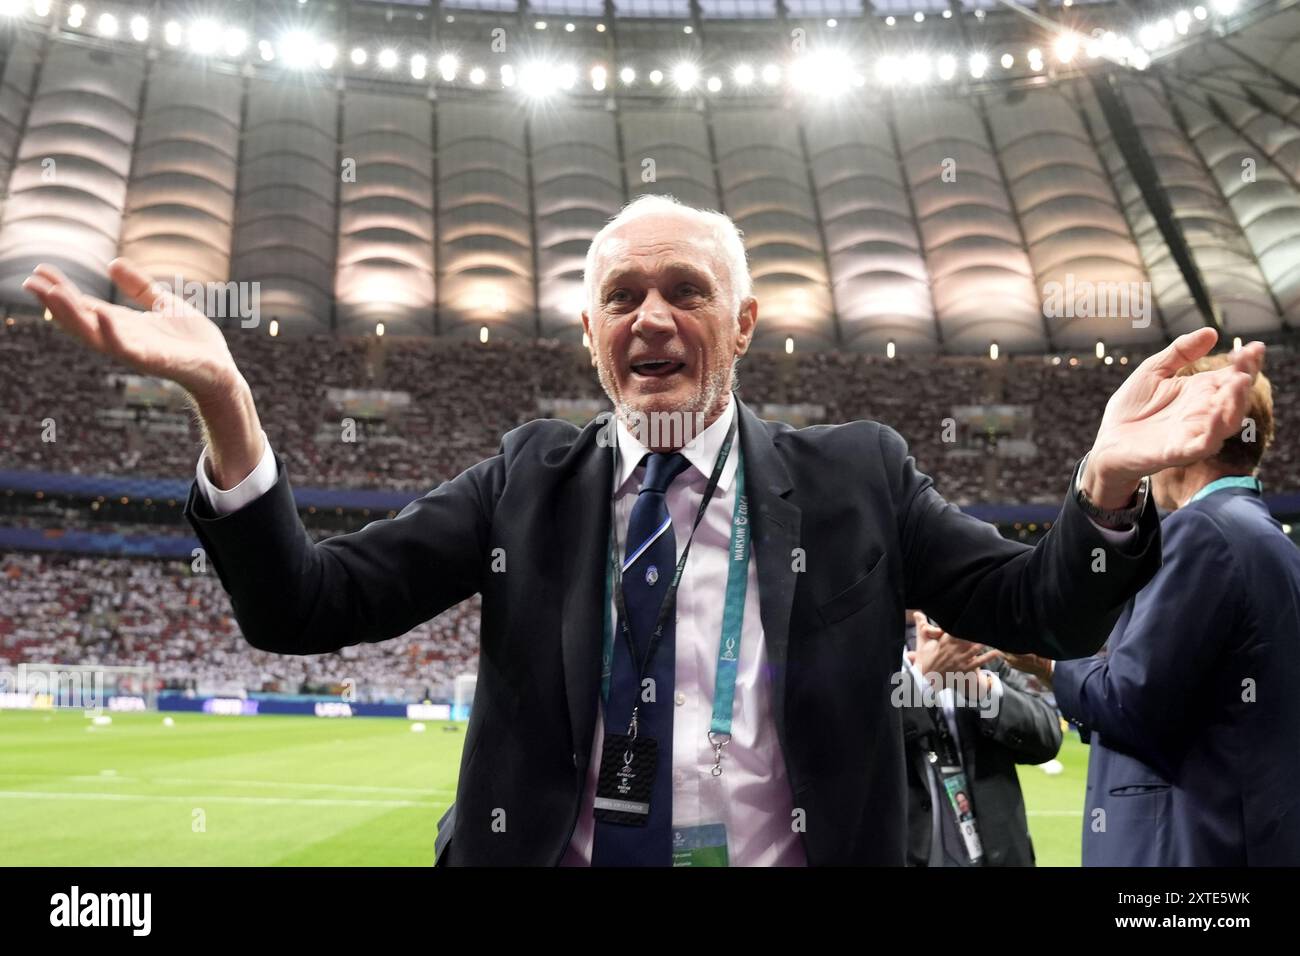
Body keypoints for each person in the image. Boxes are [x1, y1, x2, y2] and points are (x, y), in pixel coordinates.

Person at [23, 194, 1264, 866]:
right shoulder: (526, 479)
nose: (653, 316)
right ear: (588, 335)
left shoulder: (856, 476)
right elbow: (306, 606)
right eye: (622, 294)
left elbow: (1037, 604)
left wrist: (1101, 477)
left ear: (745, 325)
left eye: (686, 292)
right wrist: (230, 409)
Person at [1005, 354, 1300, 866]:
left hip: (1183, 853)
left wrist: (1048, 662)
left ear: (1186, 435)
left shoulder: (1200, 531)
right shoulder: (1274, 542)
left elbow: (1131, 704)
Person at [900, 612, 1061, 867]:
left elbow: (1048, 735)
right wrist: (920, 685)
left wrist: (983, 692)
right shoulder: (853, 645)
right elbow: (843, 747)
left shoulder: (970, 637)